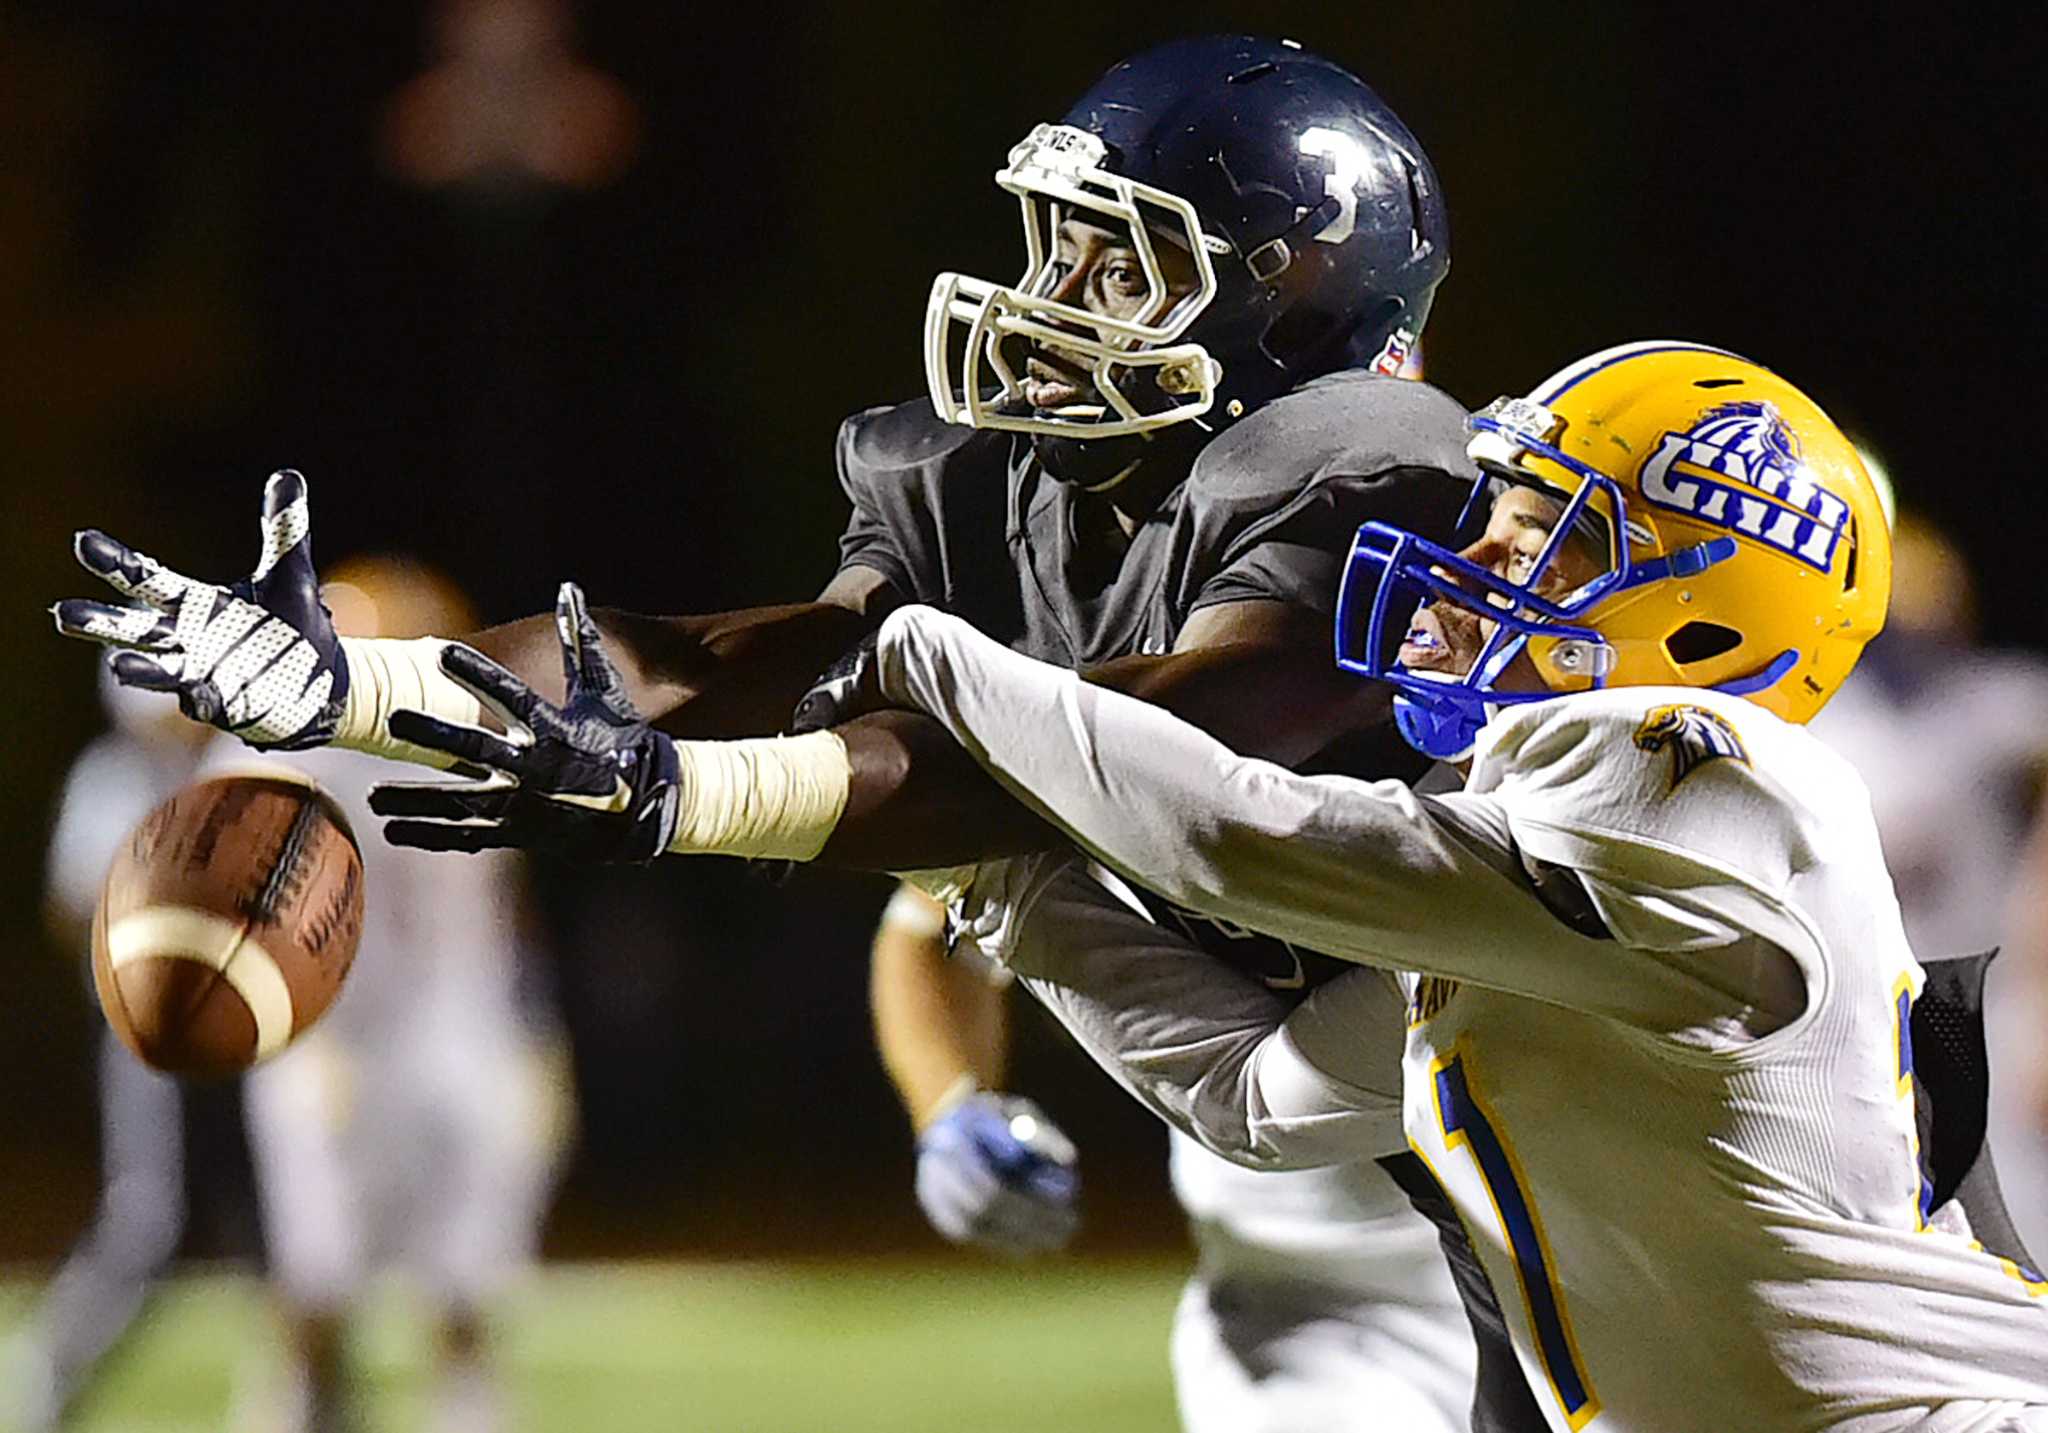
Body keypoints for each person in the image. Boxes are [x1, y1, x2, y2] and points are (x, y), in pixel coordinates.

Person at [51, 35, 1485, 1429]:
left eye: (1120, 266)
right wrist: (364, 688)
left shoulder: (1367, 479)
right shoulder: (1004, 494)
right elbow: (757, 663)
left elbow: (1146, 755)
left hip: (1523, 1094)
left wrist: (692, 795)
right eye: (1059, 246)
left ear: (1292, 310)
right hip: (1306, 1187)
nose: (1050, 298)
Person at [694, 340, 2041, 1429]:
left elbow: (1238, 836)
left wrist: (918, 663)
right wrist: (974, 858)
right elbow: (1248, 1094)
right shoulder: (1530, 873)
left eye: (1539, 537)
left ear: (1703, 618)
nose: (1475, 570)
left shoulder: (1708, 781)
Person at [220, 556, 569, 1433]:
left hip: (460, 1025)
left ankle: (464, 1411)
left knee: (469, 1268)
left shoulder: (481, 741)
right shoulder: (285, 746)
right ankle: (304, 1405)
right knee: (321, 1267)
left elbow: (508, 901)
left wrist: (534, 1027)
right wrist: (288, 1026)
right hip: (334, 1026)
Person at [1810, 516, 2048, 1258]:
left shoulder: (2000, 704)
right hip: (1849, 1013)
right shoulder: (1820, 720)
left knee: (2014, 1233)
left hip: (1983, 1004)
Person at [7, 671, 220, 1432]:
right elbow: (70, 910)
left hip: (255, 1039)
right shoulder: (110, 781)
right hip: (150, 1037)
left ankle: (313, 1402)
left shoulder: (231, 769)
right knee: (147, 1221)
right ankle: (53, 1363)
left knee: (296, 1228)